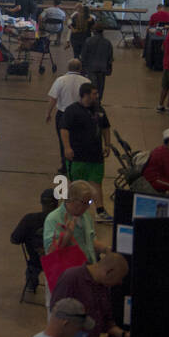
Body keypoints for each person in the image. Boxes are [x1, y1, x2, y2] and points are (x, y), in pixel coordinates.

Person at [51, 253, 129, 337]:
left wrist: (125, 335)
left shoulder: (103, 287)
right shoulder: (71, 278)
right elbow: (56, 316)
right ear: (109, 271)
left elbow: (107, 323)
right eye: (119, 278)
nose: (119, 283)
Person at [59, 82, 113, 222]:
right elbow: (64, 130)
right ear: (85, 95)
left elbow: (106, 128)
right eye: (94, 93)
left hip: (95, 156)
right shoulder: (72, 111)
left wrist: (107, 144)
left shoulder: (99, 110)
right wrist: (67, 148)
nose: (97, 96)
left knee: (96, 183)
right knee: (75, 185)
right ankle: (70, 210)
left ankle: (100, 211)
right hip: (77, 156)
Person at [43, 181, 107, 274]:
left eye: (90, 202)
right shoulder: (53, 219)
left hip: (87, 271)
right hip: (66, 277)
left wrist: (107, 250)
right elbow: (51, 253)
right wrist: (67, 236)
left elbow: (90, 241)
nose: (88, 207)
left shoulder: (85, 215)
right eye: (85, 202)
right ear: (72, 199)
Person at [46, 60, 89, 174]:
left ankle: (65, 166)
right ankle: (78, 164)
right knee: (79, 139)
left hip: (63, 115)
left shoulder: (60, 80)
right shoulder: (86, 82)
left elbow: (53, 98)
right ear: (80, 68)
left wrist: (48, 113)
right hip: (81, 115)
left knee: (63, 141)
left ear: (68, 67)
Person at [12, 189, 58, 295]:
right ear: (56, 204)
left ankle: (31, 283)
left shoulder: (29, 219)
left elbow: (14, 239)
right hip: (58, 262)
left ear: (41, 202)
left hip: (36, 261)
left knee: (32, 266)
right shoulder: (63, 220)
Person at [79, 30, 113, 101]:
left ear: (94, 32)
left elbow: (83, 56)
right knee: (100, 88)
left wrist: (82, 69)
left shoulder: (88, 41)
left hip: (90, 68)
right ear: (102, 31)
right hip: (102, 69)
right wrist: (109, 69)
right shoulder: (107, 42)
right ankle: (98, 103)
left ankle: (91, 103)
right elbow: (110, 58)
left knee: (91, 87)